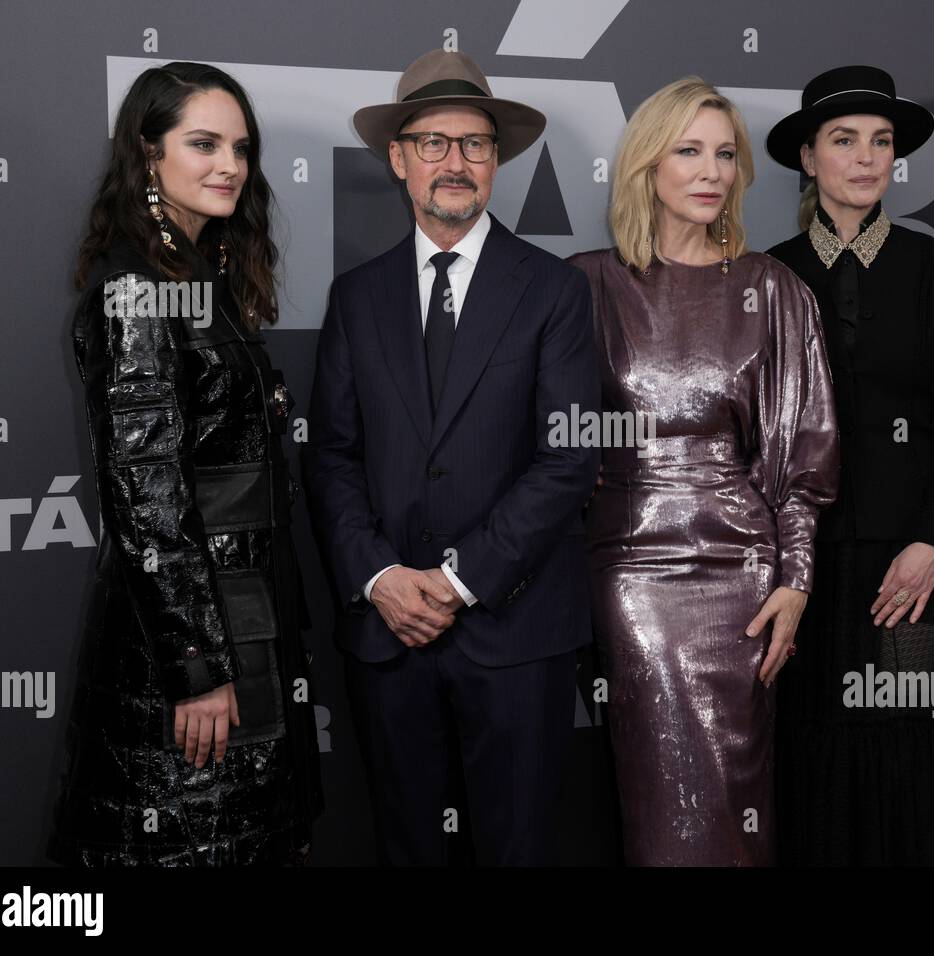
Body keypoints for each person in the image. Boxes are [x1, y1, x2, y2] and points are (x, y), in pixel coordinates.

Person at [303, 50, 601, 866]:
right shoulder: (356, 298)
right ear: (398, 160)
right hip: (387, 632)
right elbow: (330, 457)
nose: (455, 162)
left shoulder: (554, 290)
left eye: (474, 144)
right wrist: (380, 579)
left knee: (519, 849)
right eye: (432, 143)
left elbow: (568, 459)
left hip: (516, 629)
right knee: (408, 850)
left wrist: (461, 579)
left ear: (496, 162)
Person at [49, 62, 323, 866]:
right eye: (202, 143)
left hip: (249, 625)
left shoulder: (204, 281)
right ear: (148, 153)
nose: (229, 165)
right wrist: (196, 665)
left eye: (241, 147)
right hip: (192, 651)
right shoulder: (137, 290)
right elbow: (147, 497)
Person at [569, 77, 839, 866]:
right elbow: (552, 434)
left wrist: (796, 581)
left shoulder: (774, 290)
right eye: (688, 151)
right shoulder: (588, 283)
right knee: (660, 787)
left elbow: (799, 457)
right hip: (630, 567)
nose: (711, 171)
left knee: (737, 785)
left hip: (747, 574)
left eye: (726, 154)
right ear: (647, 166)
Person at [766, 65, 934, 865]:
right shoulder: (771, 274)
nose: (866, 159)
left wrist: (933, 541)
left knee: (910, 744)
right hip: (805, 571)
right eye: (844, 140)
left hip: (914, 569)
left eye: (882, 142)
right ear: (807, 157)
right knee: (812, 748)